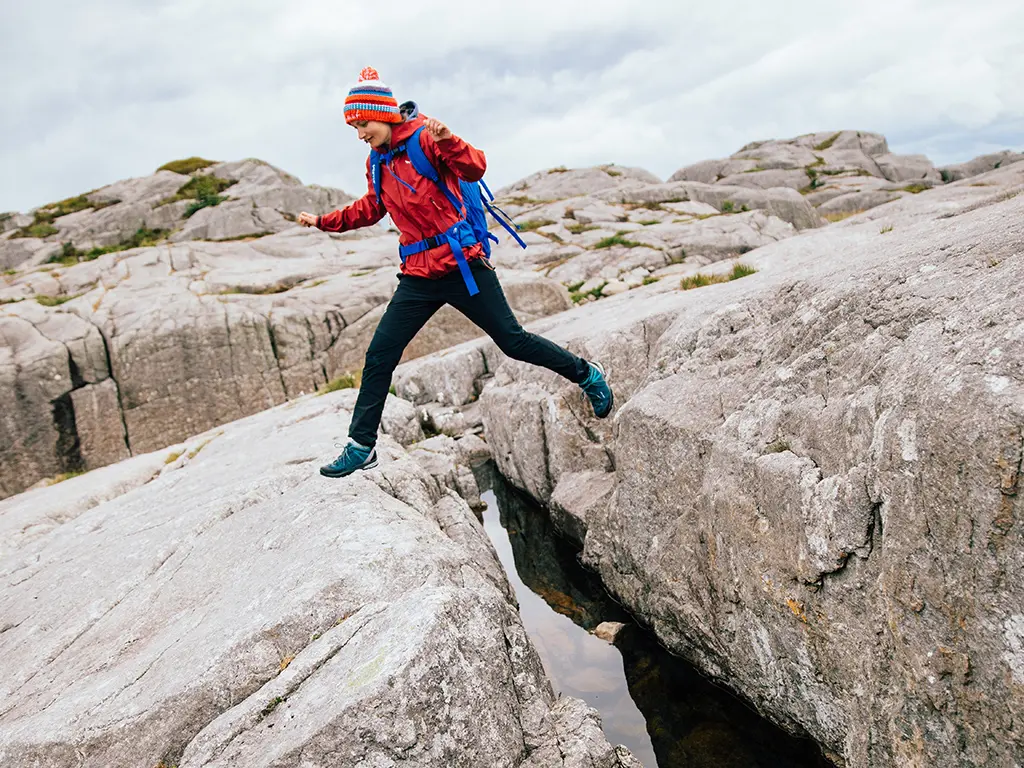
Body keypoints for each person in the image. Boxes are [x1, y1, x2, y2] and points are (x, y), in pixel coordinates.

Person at [299, 67, 613, 479]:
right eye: (355, 127)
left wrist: (449, 139)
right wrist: (325, 221)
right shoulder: (376, 162)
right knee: (379, 355)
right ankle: (361, 446)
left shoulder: (427, 139)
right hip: (417, 274)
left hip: (462, 264)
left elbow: (475, 168)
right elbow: (372, 208)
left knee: (513, 341)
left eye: (363, 124)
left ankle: (587, 375)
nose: (359, 133)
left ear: (383, 113)